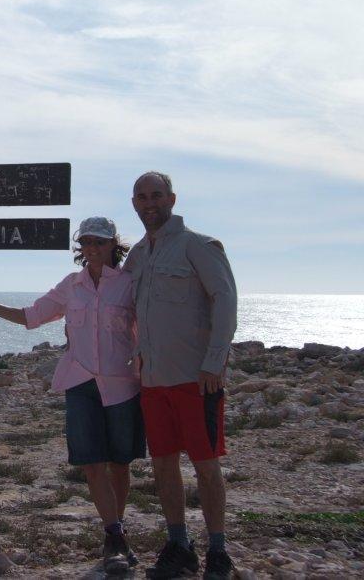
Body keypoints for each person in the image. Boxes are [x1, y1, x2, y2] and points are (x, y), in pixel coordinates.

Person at [0, 216, 144, 575]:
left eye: (99, 241)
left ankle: (118, 532)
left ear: (113, 245)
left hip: (121, 384)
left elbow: (147, 328)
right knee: (91, 462)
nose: (92, 248)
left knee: (120, 463)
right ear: (80, 247)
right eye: (87, 242)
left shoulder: (130, 284)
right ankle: (114, 535)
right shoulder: (72, 285)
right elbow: (32, 316)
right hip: (80, 383)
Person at [125, 171, 238, 580]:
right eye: (142, 197)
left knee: (206, 467)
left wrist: (215, 361)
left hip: (196, 378)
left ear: (171, 199)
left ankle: (218, 551)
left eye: (156, 195)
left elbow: (225, 299)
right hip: (152, 382)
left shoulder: (198, 246)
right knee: (163, 466)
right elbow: (125, 309)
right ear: (134, 203)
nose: (150, 203)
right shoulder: (137, 255)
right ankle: (179, 545)